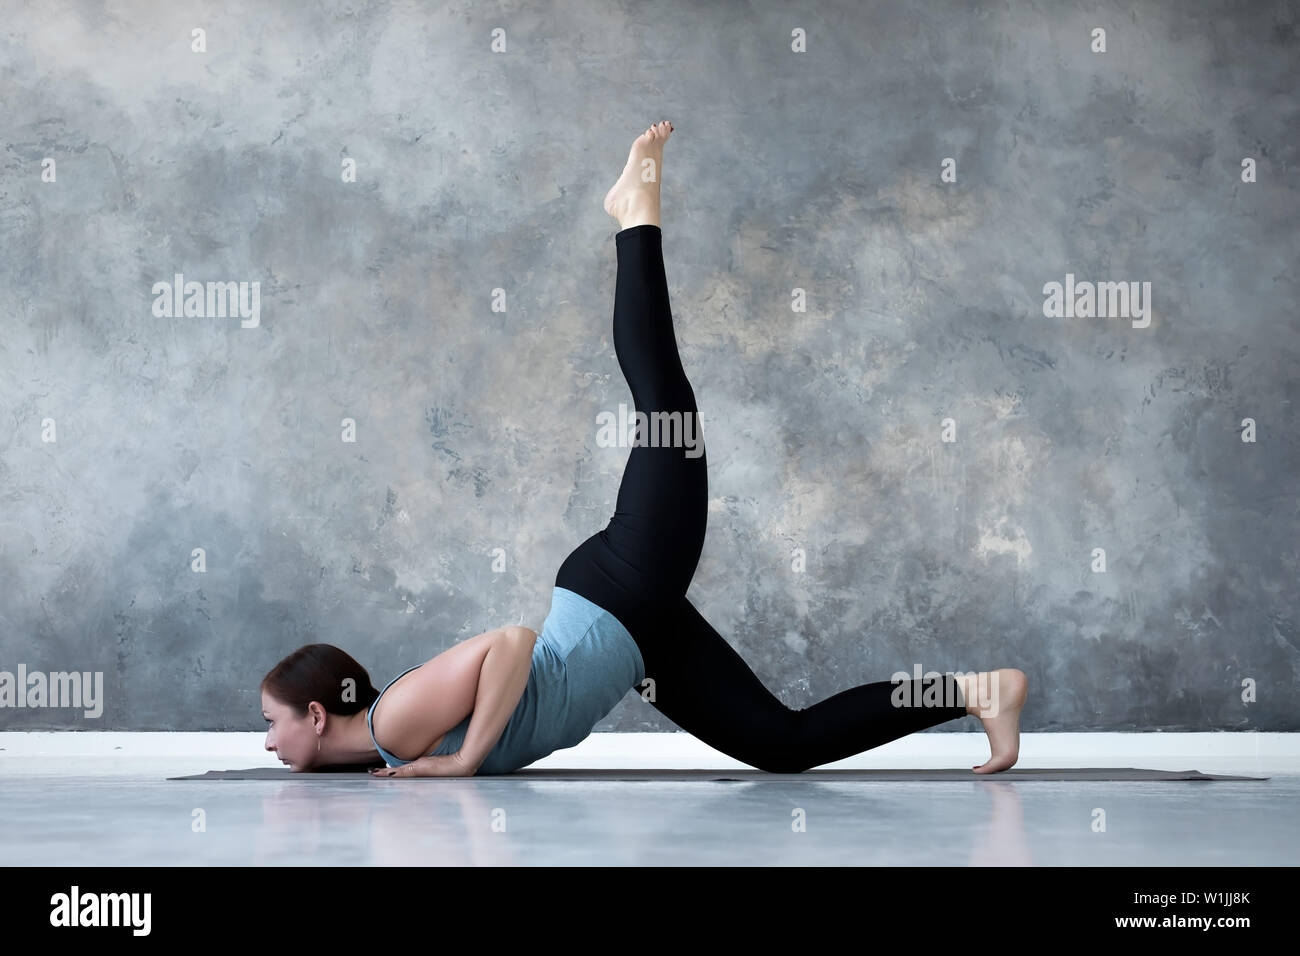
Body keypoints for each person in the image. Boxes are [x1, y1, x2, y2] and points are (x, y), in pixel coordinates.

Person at [260, 121, 1028, 777]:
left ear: (318, 715)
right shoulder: (384, 757)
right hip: (633, 638)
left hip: (615, 592)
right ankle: (978, 693)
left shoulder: (394, 723)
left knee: (664, 405)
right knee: (783, 744)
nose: (265, 742)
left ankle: (636, 215)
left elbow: (511, 642)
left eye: (271, 723)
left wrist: (464, 762)